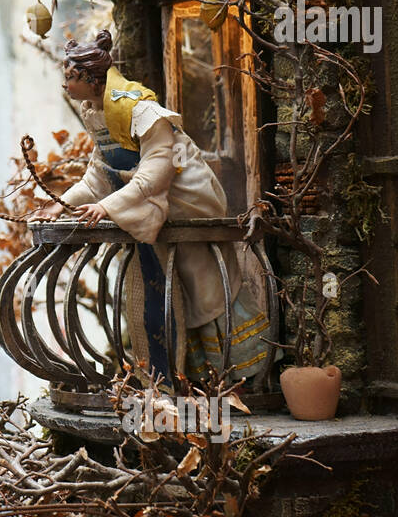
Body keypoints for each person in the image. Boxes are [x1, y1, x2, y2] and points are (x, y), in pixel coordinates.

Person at [39, 31, 268, 387]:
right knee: (175, 289)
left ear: (89, 78)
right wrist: (62, 205)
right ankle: (190, 378)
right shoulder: (96, 112)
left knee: (205, 281)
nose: (65, 84)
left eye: (69, 77)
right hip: (151, 205)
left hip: (185, 197)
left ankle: (245, 373)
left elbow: (157, 171)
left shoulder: (140, 108)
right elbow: (100, 172)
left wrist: (106, 206)